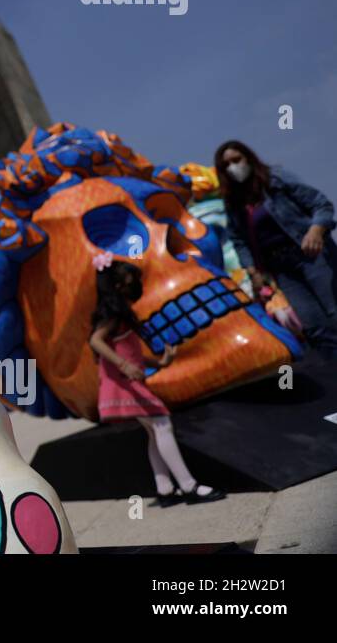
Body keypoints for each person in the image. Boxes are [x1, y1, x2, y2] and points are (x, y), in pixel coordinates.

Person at [88, 254, 225, 505]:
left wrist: (159, 362)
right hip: (123, 384)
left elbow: (133, 352)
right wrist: (124, 366)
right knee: (162, 424)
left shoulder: (121, 315)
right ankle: (189, 485)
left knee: (155, 430)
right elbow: (96, 341)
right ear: (117, 286)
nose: (135, 284)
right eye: (131, 280)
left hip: (128, 382)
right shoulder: (113, 316)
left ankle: (164, 488)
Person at [216, 140, 337, 360]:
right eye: (226, 165)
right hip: (281, 269)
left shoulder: (276, 180)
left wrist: (315, 231)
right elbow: (239, 239)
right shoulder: (233, 203)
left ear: (249, 158)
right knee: (314, 327)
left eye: (237, 160)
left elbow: (321, 205)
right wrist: (253, 271)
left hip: (310, 255)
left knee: (334, 312)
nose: (233, 167)